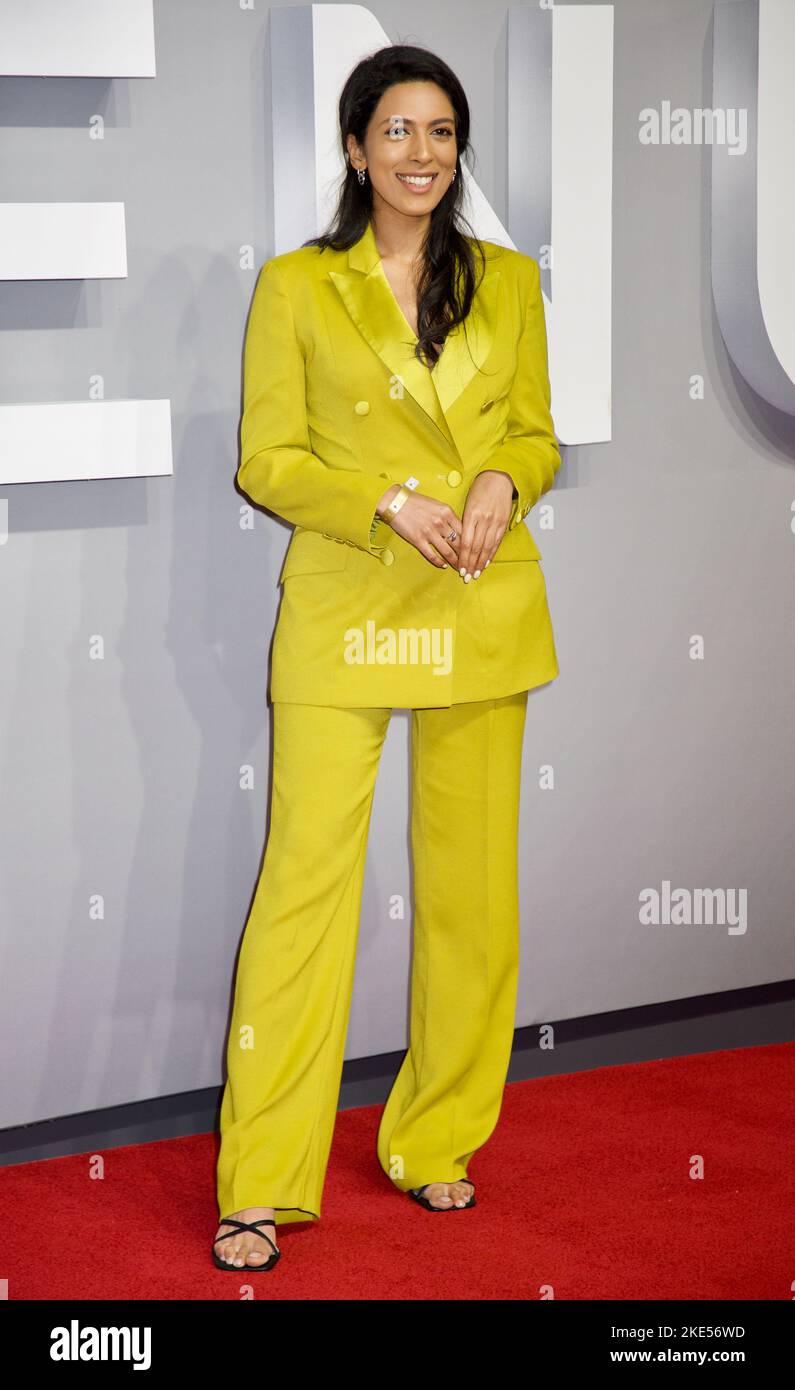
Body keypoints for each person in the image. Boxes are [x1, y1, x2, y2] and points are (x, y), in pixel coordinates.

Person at [213, 42, 561, 1273]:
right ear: (357, 148)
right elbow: (268, 460)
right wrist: (385, 500)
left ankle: (436, 1139)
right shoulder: (297, 287)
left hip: (479, 601)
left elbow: (535, 431)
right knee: (305, 893)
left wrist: (503, 478)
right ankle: (261, 1178)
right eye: (399, 131)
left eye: (444, 132)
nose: (423, 153)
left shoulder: (511, 282)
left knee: (472, 899)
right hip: (348, 605)